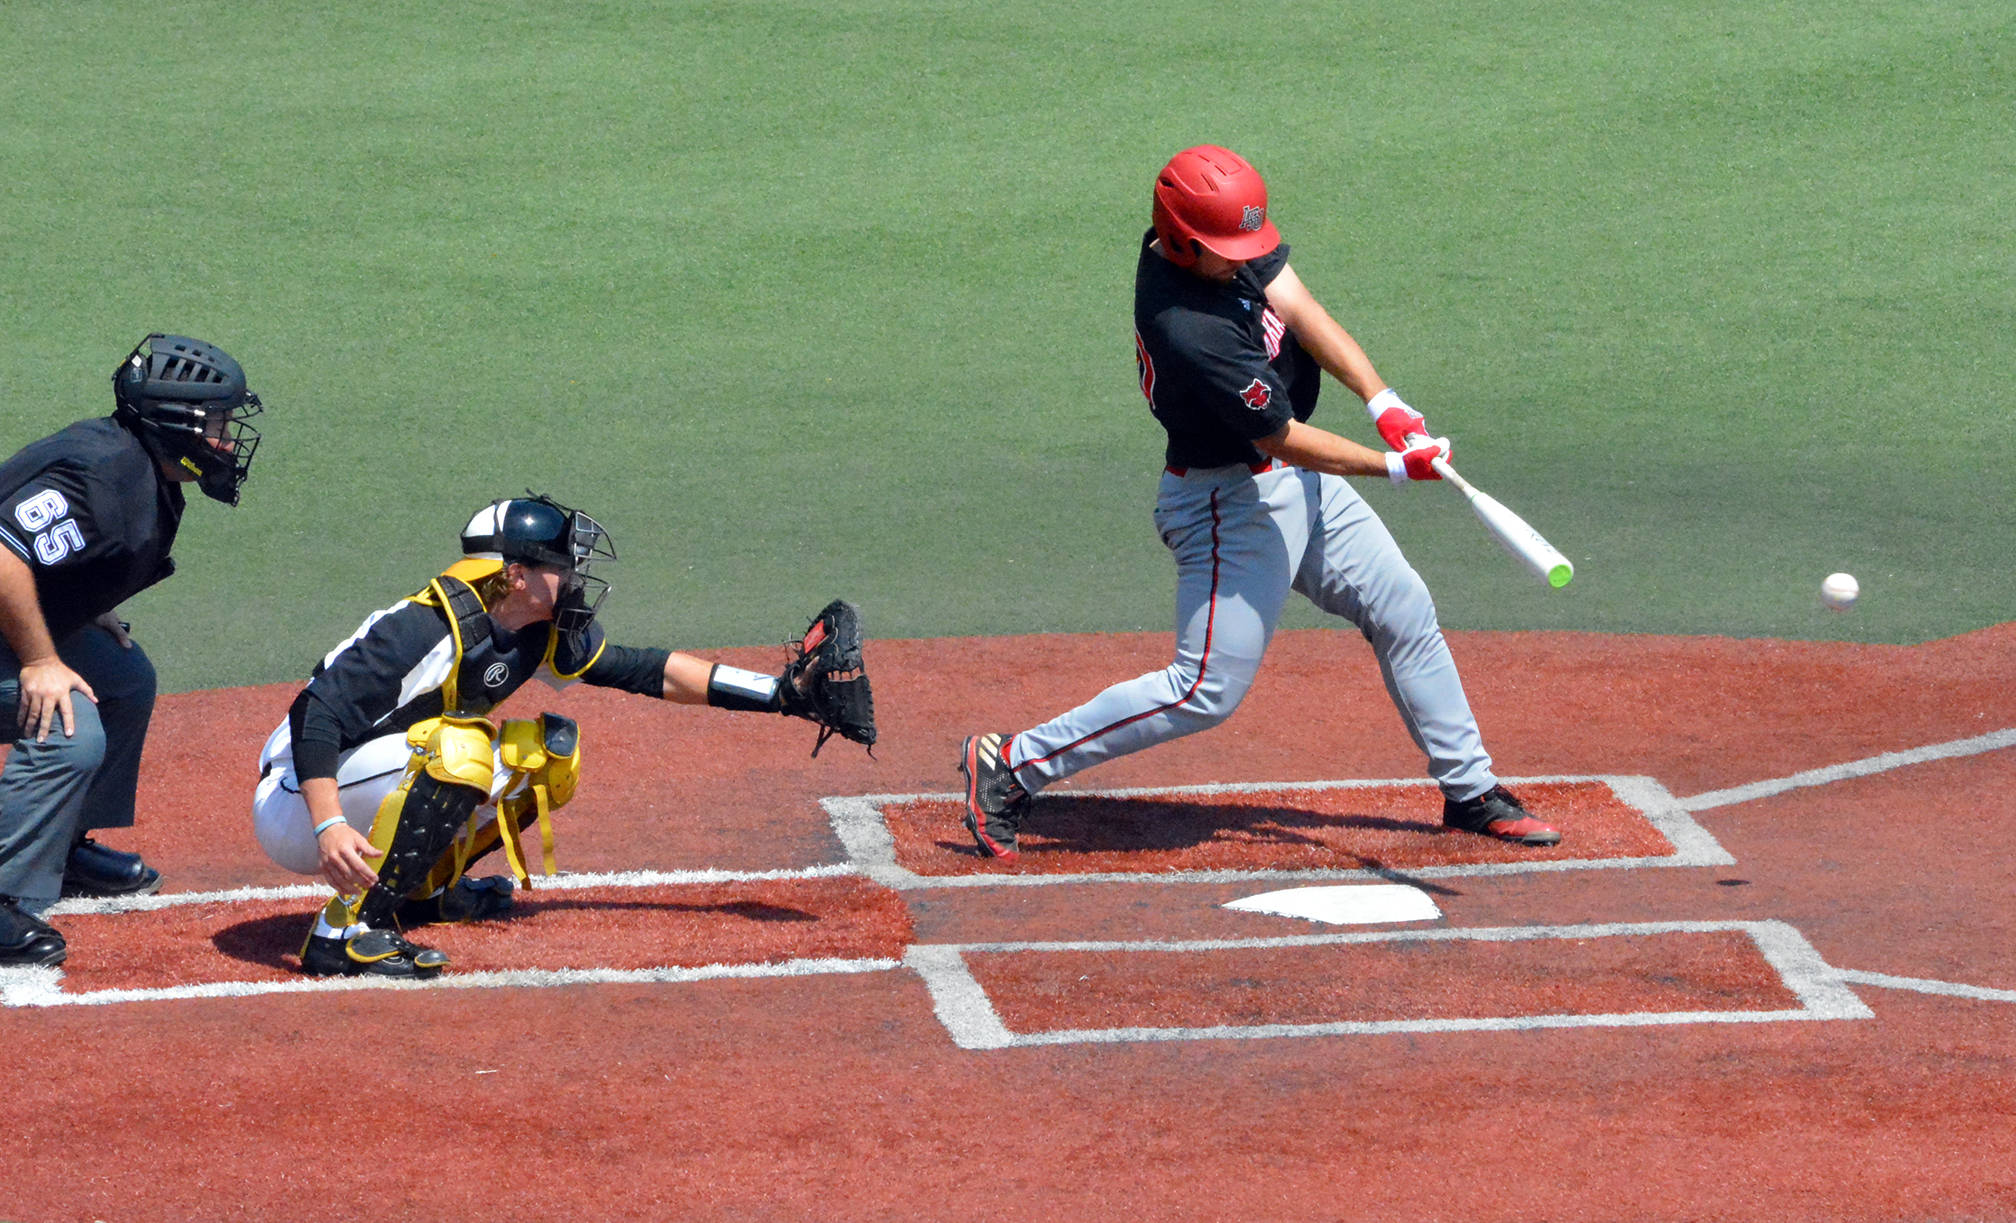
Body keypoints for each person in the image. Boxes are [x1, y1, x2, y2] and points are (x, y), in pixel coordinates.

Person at [956, 144, 1559, 859]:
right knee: (1202, 688)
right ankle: (1011, 763)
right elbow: (1280, 439)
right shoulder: (1188, 326)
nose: (1243, 259)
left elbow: (1298, 305)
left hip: (1296, 482)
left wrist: (1383, 399)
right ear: (1182, 240)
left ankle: (1470, 790)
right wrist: (1392, 467)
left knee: (1403, 605)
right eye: (1226, 249)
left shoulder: (1217, 242)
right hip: (1228, 503)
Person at [251, 494, 873, 978]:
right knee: (459, 751)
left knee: (545, 757)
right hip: (297, 802)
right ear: (516, 575)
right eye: (562, 567)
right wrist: (329, 823)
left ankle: (424, 892)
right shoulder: (423, 629)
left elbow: (647, 670)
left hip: (367, 782)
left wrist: (779, 695)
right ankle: (344, 935)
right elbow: (315, 715)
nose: (575, 579)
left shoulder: (533, 630)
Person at [0, 334, 264, 967]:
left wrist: (85, 608)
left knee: (122, 676)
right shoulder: (101, 474)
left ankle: (58, 850)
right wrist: (39, 661)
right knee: (68, 729)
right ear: (177, 424)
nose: (229, 440)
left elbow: (60, 556)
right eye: (219, 423)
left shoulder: (143, 467)